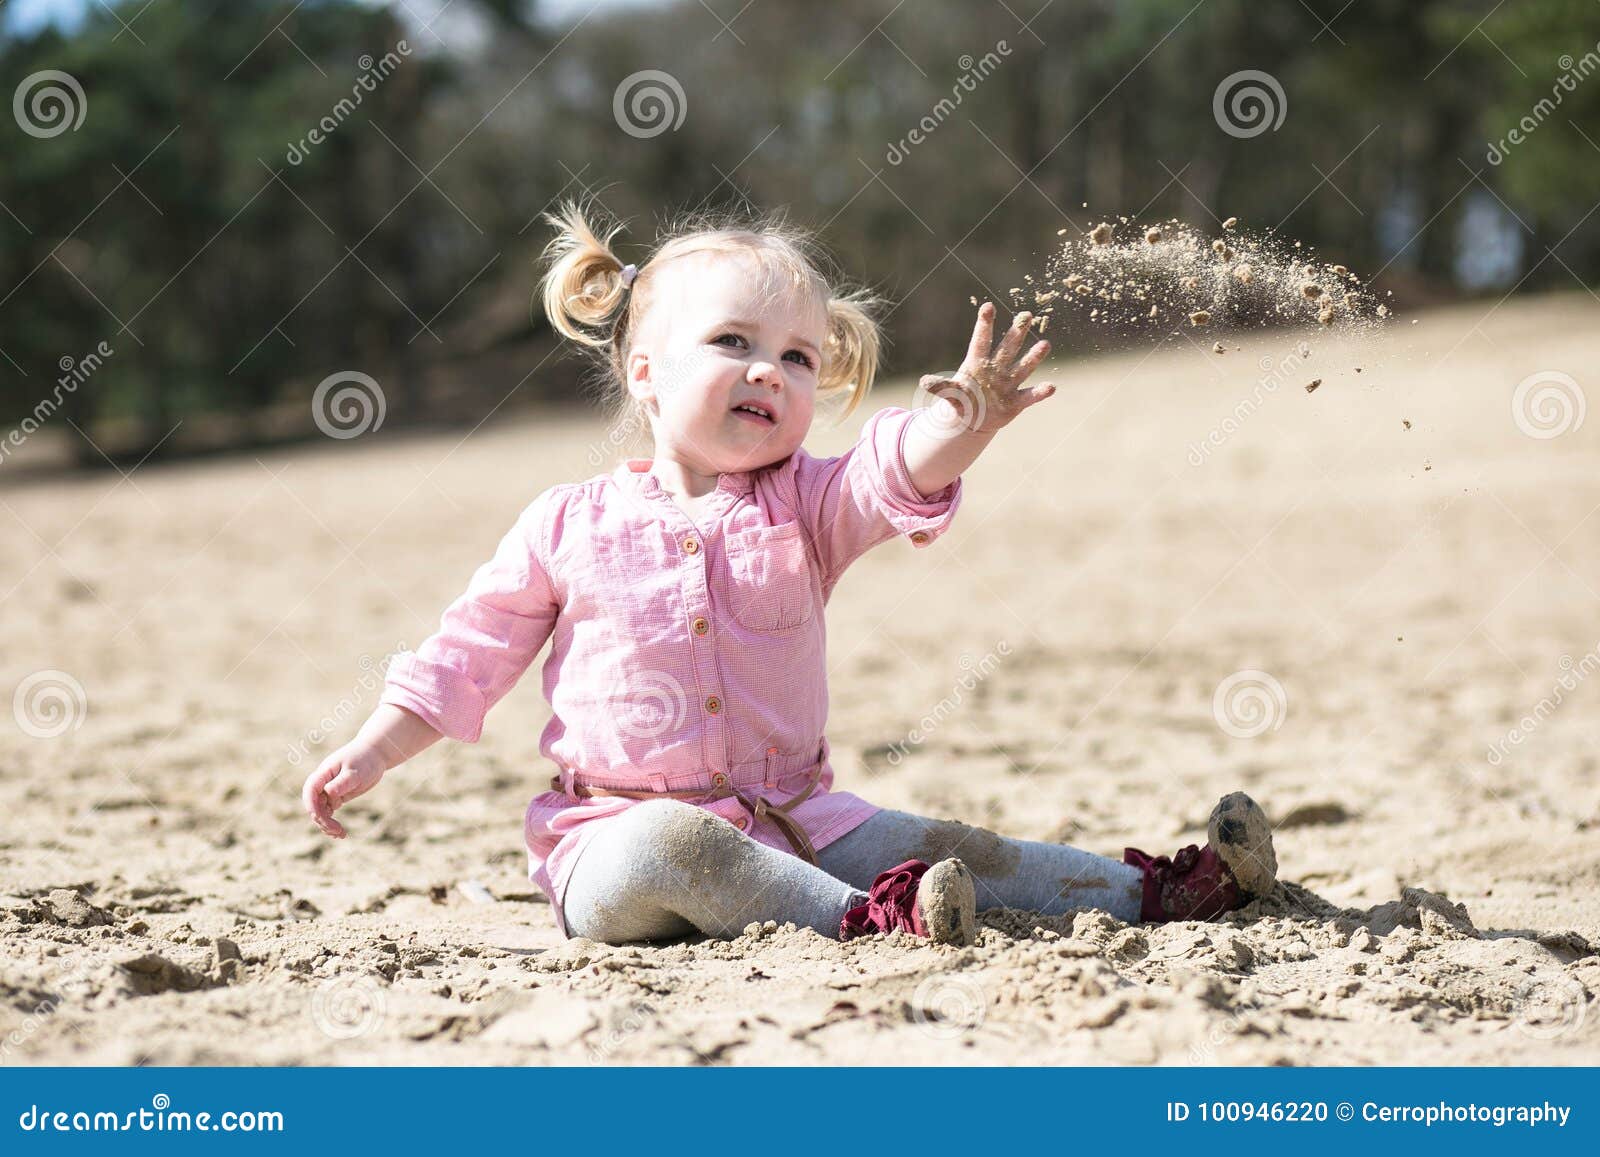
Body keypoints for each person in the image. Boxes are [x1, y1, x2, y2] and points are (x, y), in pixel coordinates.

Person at [301, 201, 1279, 947]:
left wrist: (958, 425)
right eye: (733, 343)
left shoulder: (805, 503)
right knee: (680, 844)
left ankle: (1159, 889)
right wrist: (377, 747)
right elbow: (465, 653)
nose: (769, 370)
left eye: (798, 357)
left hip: (799, 812)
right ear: (643, 369)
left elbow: (891, 473)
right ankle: (870, 924)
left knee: (950, 842)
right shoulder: (566, 522)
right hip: (610, 840)